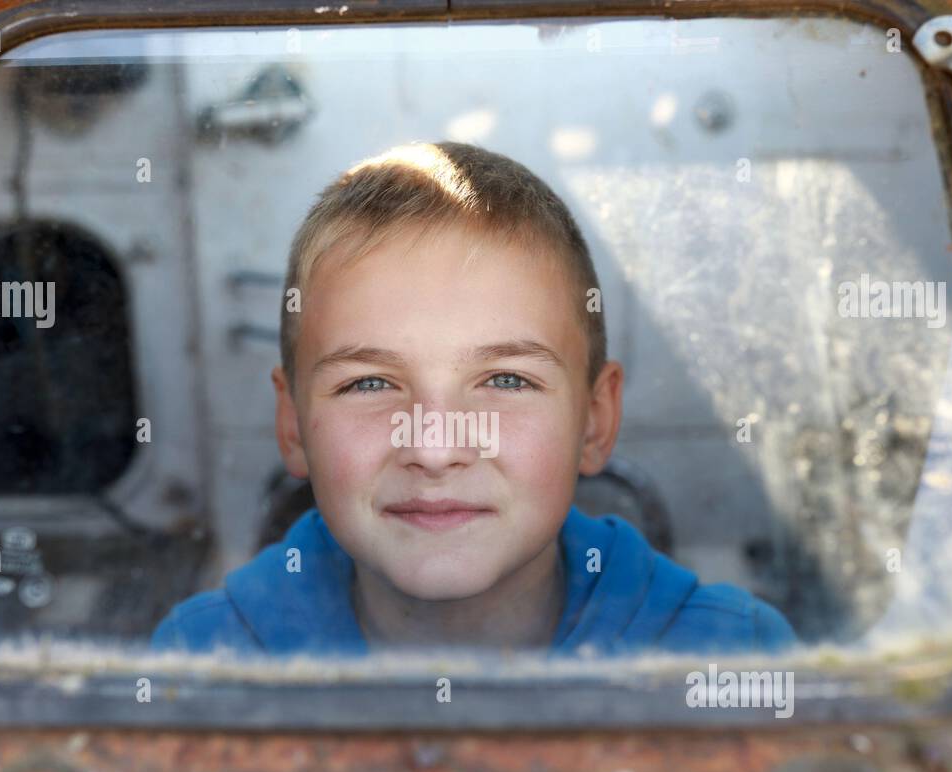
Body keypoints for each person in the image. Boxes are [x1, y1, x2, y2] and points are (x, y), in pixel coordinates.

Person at [153, 141, 794, 656]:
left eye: (506, 381)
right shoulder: (197, 662)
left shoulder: (739, 659)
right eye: (369, 383)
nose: (433, 450)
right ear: (292, 423)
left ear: (596, 421)